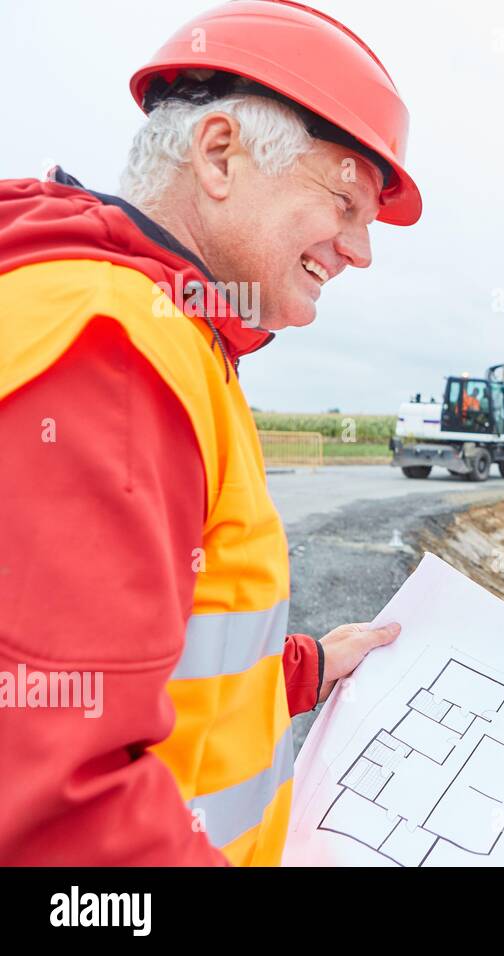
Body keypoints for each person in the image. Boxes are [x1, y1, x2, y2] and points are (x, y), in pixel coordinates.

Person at [0, 0, 422, 864]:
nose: (361, 251)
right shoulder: (112, 347)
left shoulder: (168, 333)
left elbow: (146, 664)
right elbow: (60, 815)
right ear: (221, 154)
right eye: (344, 202)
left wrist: (301, 667)